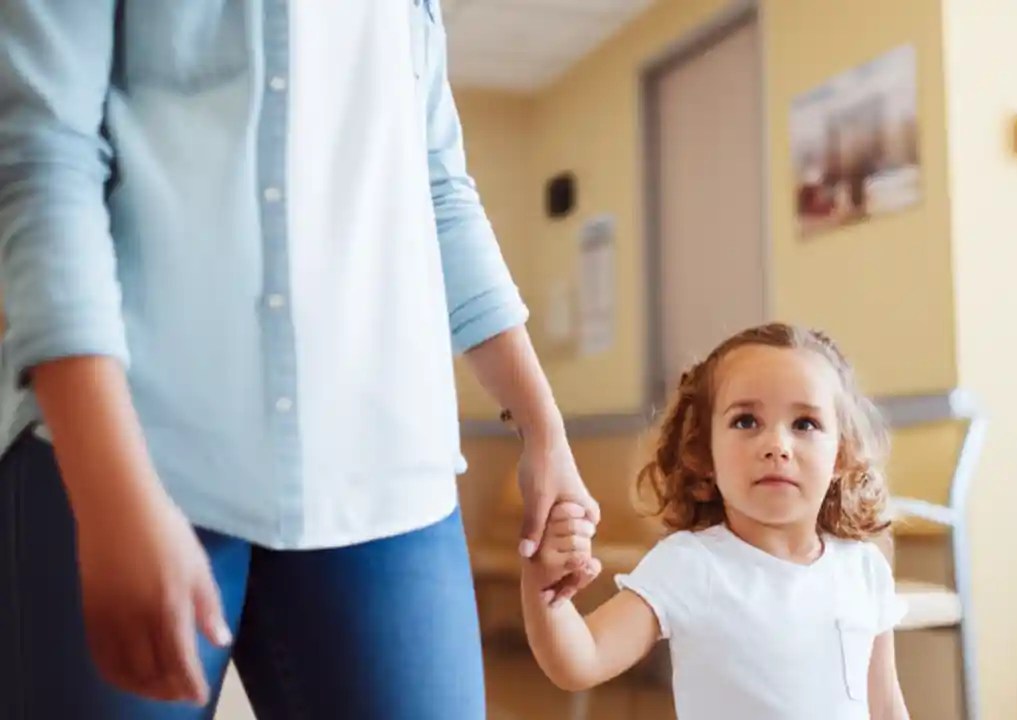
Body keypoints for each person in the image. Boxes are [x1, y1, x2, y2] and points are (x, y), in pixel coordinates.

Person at [0, 3, 597, 718]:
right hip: (139, 448)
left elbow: (437, 188)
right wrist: (107, 494)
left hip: (385, 472)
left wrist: (542, 427)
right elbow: (45, 157)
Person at [522, 323, 911, 719]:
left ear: (841, 455)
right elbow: (583, 658)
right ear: (704, 452)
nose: (777, 445)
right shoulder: (690, 565)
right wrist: (544, 586)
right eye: (746, 421)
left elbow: (885, 707)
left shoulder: (865, 569)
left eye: (805, 424)